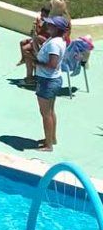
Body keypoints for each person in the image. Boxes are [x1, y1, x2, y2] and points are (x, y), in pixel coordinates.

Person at [33, 16, 68, 151]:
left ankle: (48, 145)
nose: (48, 26)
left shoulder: (54, 44)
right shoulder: (57, 40)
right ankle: (51, 138)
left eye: (51, 25)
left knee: (45, 113)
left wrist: (36, 63)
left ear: (57, 28)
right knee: (51, 111)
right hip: (53, 80)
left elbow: (52, 64)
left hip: (47, 81)